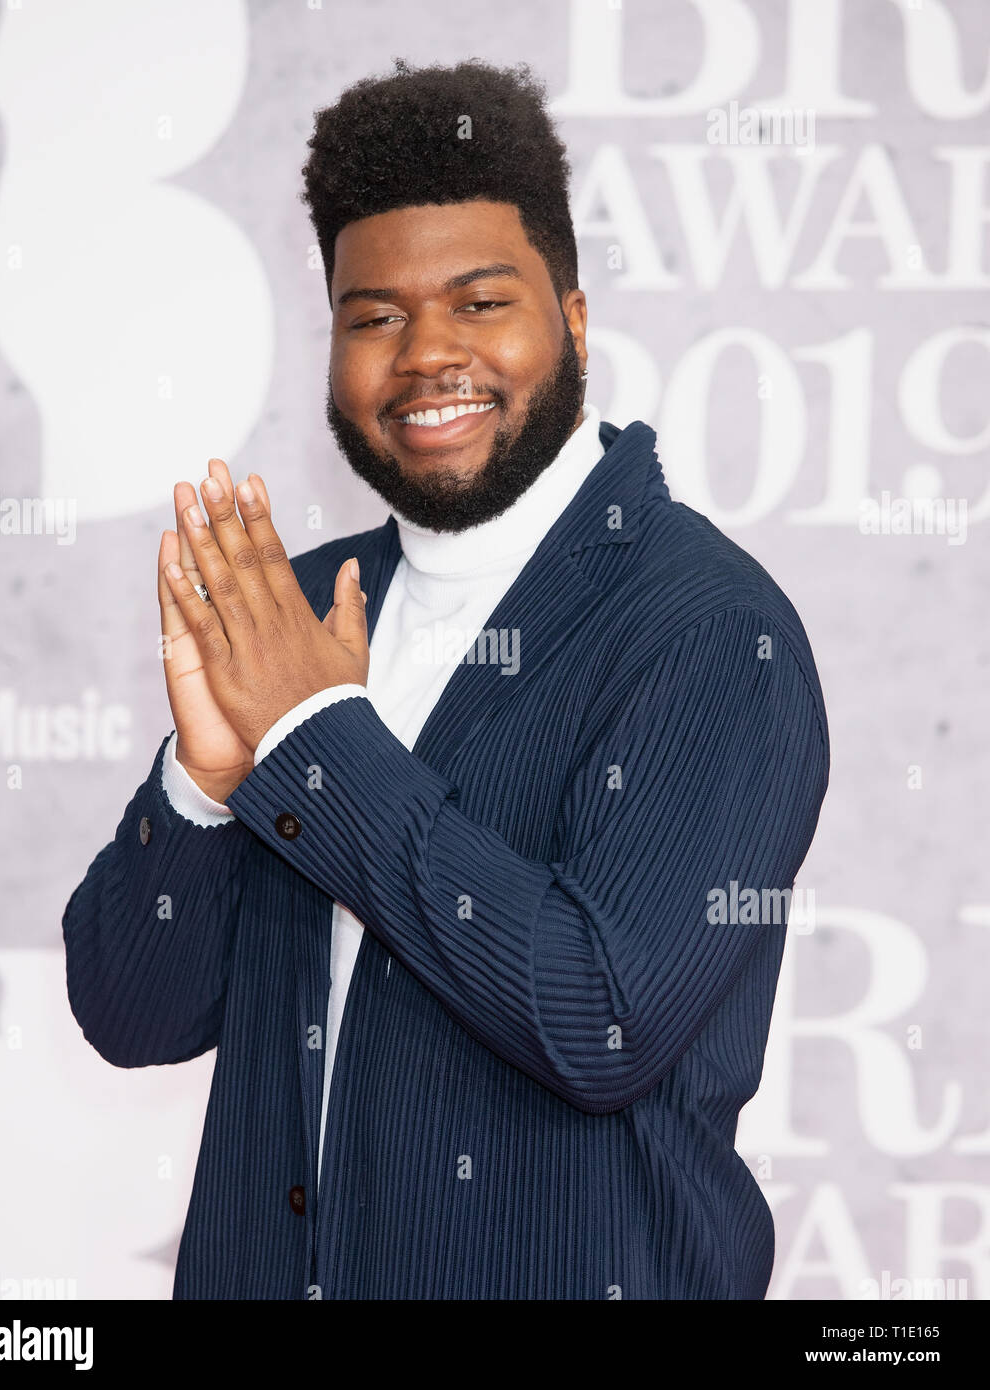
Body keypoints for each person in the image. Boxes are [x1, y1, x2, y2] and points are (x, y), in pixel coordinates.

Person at [62, 57, 830, 1300]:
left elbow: (600, 1019)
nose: (425, 356)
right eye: (373, 316)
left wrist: (316, 737)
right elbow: (129, 1014)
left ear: (572, 322)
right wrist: (206, 783)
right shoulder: (296, 608)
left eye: (479, 304)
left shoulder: (710, 632)